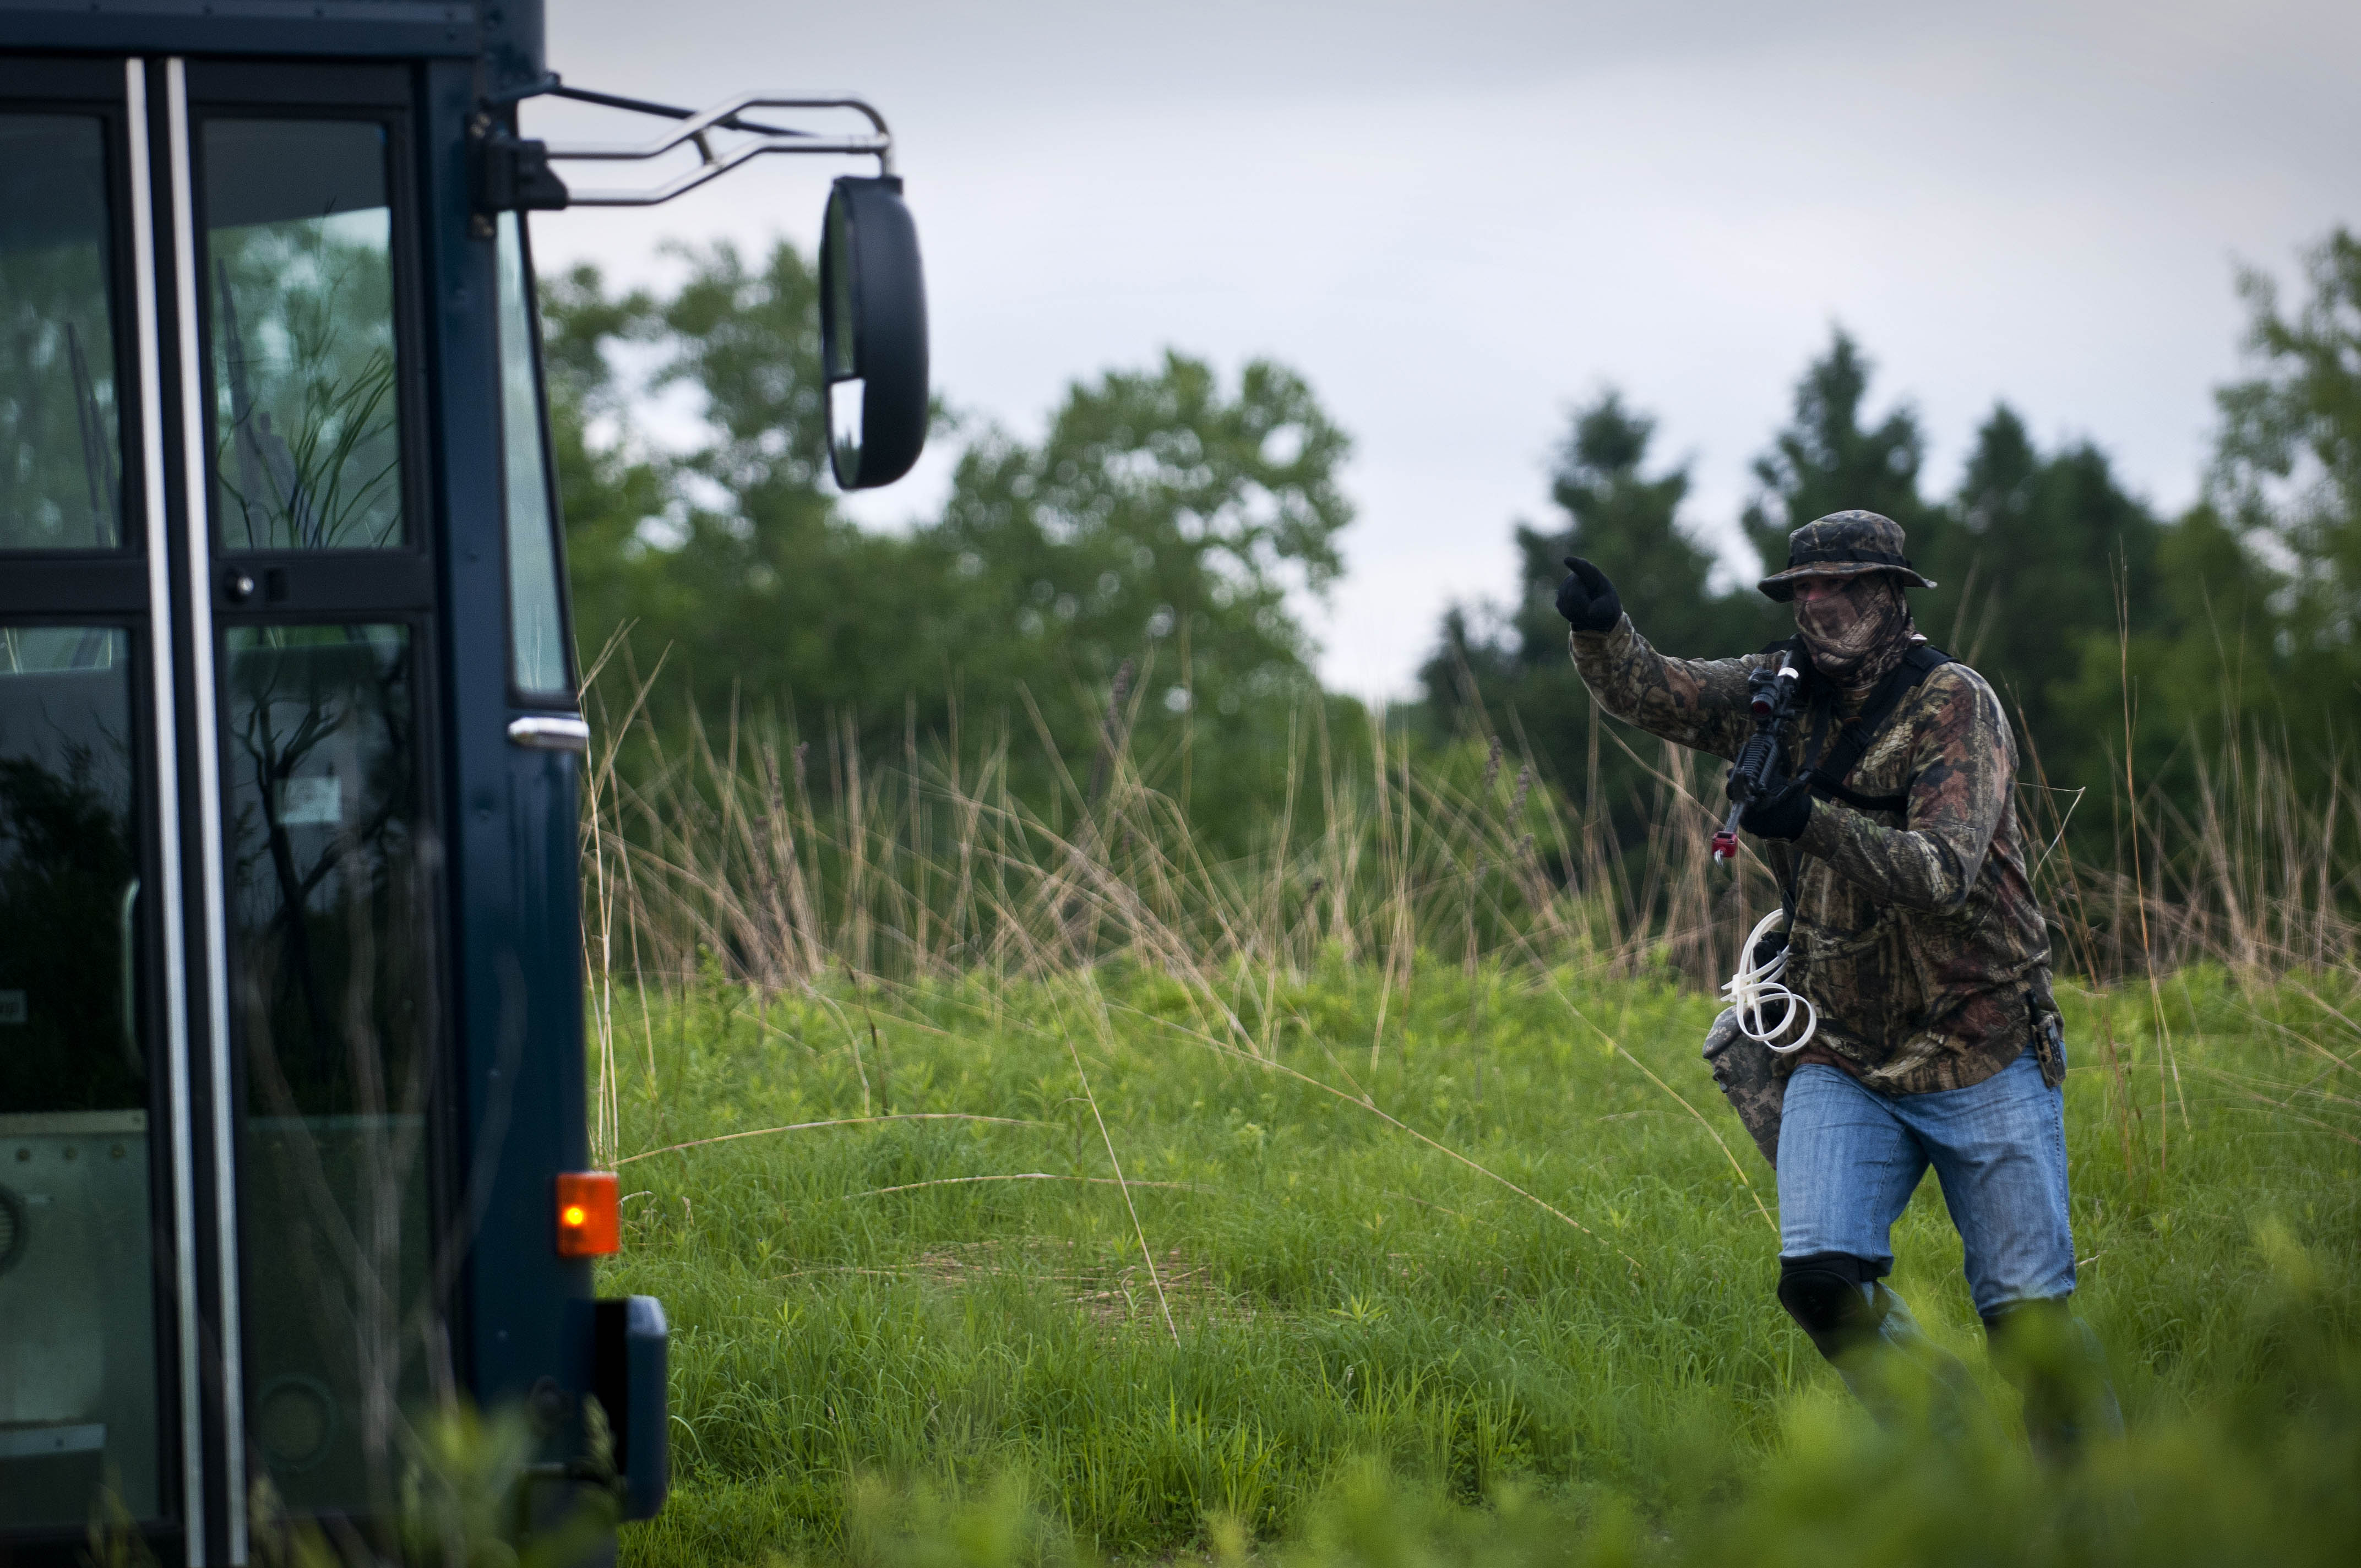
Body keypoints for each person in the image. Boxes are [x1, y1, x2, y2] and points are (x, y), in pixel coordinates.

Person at [1554, 509, 2120, 1461]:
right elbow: (1660, 693)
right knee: (1821, 1285)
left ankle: (2102, 1514)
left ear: (1891, 597)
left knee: (2029, 1326)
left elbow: (1944, 871)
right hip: (1840, 1046)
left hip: (1981, 1040)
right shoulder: (1774, 689)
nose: (1821, 605)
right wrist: (1601, 632)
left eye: (1845, 586)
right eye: (1805, 589)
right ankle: (1957, 1452)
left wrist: (1807, 818)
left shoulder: (1956, 704)